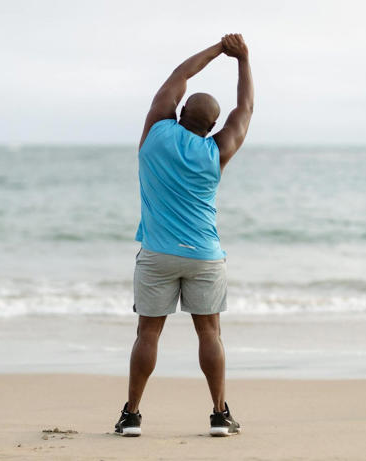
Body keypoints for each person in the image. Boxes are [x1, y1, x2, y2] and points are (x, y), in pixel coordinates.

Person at [114, 33, 254, 437]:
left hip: (157, 253)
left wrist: (216, 50)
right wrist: (243, 59)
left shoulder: (155, 133)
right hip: (204, 256)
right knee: (209, 333)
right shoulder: (217, 151)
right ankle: (219, 414)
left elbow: (179, 75)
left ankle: (132, 416)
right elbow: (245, 109)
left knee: (147, 333)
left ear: (179, 112)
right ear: (212, 125)